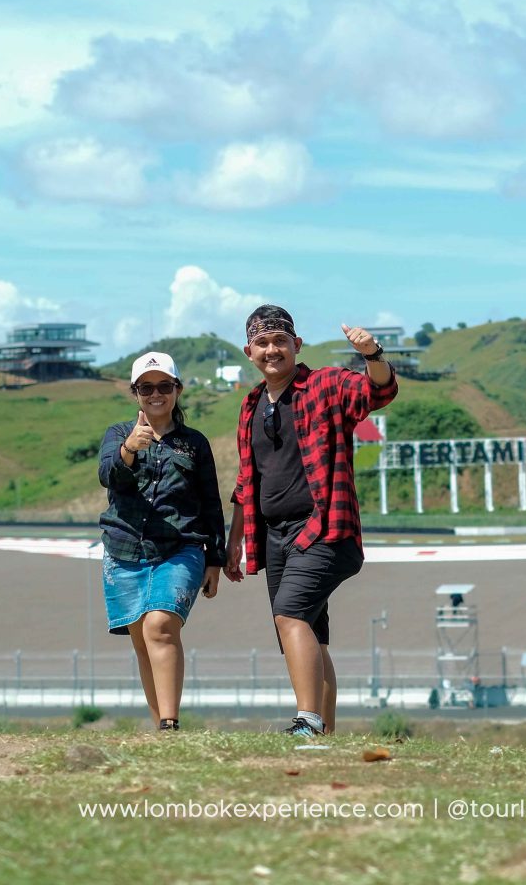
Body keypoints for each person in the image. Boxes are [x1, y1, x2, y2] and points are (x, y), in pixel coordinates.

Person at [223, 305, 397, 737]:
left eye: (280, 341)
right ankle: (326, 735)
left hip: (324, 528)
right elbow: (247, 481)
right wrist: (233, 543)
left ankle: (308, 721)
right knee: (309, 638)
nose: (271, 350)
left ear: (296, 345)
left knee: (289, 615)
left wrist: (372, 355)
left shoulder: (326, 385)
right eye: (262, 343)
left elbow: (379, 393)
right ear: (249, 351)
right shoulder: (249, 406)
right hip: (275, 536)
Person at [98, 351, 227, 731]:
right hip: (123, 550)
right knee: (141, 638)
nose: (156, 395)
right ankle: (161, 728)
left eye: (164, 386)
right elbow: (108, 475)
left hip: (180, 549)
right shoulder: (118, 434)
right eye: (147, 388)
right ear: (135, 392)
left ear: (178, 390)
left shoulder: (194, 444)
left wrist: (215, 560)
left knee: (160, 627)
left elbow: (211, 503)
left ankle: (170, 723)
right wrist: (131, 450)